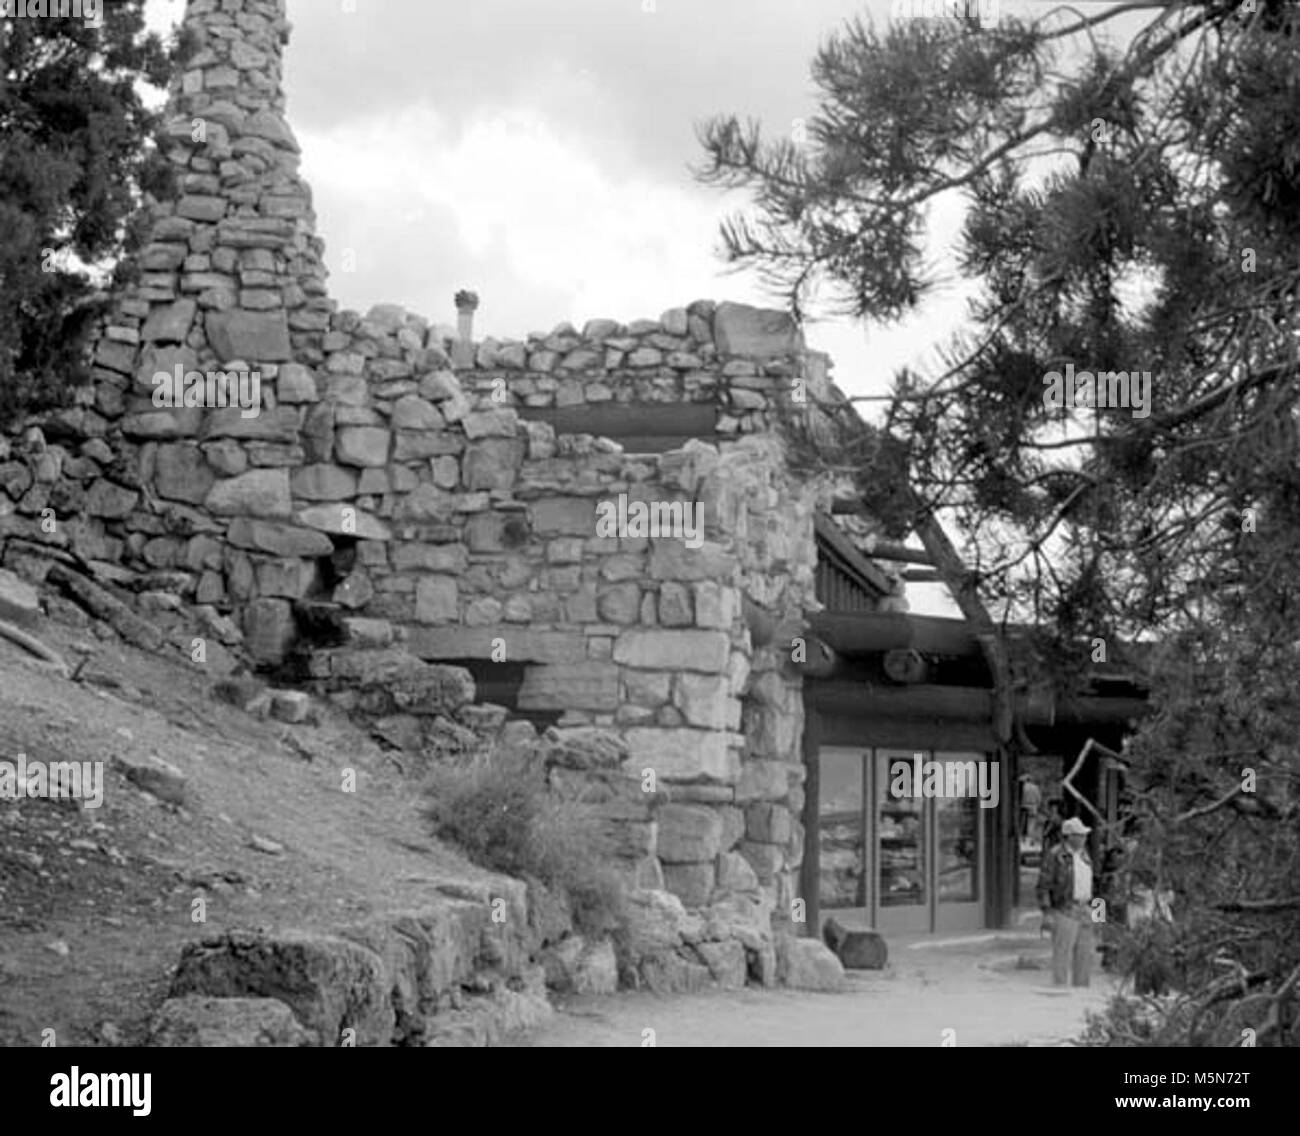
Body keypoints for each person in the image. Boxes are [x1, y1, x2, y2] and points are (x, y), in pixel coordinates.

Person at [1035, 816, 1098, 987]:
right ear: (1069, 836)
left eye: (1084, 835)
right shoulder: (1055, 855)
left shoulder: (1085, 855)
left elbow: (1094, 886)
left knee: (1085, 954)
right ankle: (1060, 989)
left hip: (1085, 907)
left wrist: (1098, 915)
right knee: (1062, 953)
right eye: (1080, 835)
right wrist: (1047, 912)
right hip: (1064, 908)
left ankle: (1081, 990)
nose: (1084, 838)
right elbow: (1043, 885)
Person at [1019, 774, 1042, 840]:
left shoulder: (1022, 787)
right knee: (1031, 823)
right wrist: (1038, 805)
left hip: (1023, 806)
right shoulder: (1035, 787)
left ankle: (1022, 838)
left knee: (1022, 824)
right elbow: (1039, 798)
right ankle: (1030, 838)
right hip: (1033, 807)